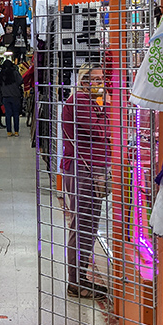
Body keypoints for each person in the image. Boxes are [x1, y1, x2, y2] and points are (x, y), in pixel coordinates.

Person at [61, 62, 110, 297]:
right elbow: (100, 131)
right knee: (82, 227)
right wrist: (109, 107)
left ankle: (79, 278)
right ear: (83, 81)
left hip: (90, 169)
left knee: (88, 227)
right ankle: (76, 281)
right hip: (83, 170)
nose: (100, 84)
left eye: (102, 79)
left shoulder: (89, 101)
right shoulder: (80, 100)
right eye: (96, 80)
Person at [0, 59, 23, 137]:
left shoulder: (1, 75)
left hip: (5, 97)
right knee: (16, 114)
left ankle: (9, 131)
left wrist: (0, 97)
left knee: (8, 115)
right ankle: (16, 131)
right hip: (15, 96)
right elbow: (21, 81)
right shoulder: (15, 73)